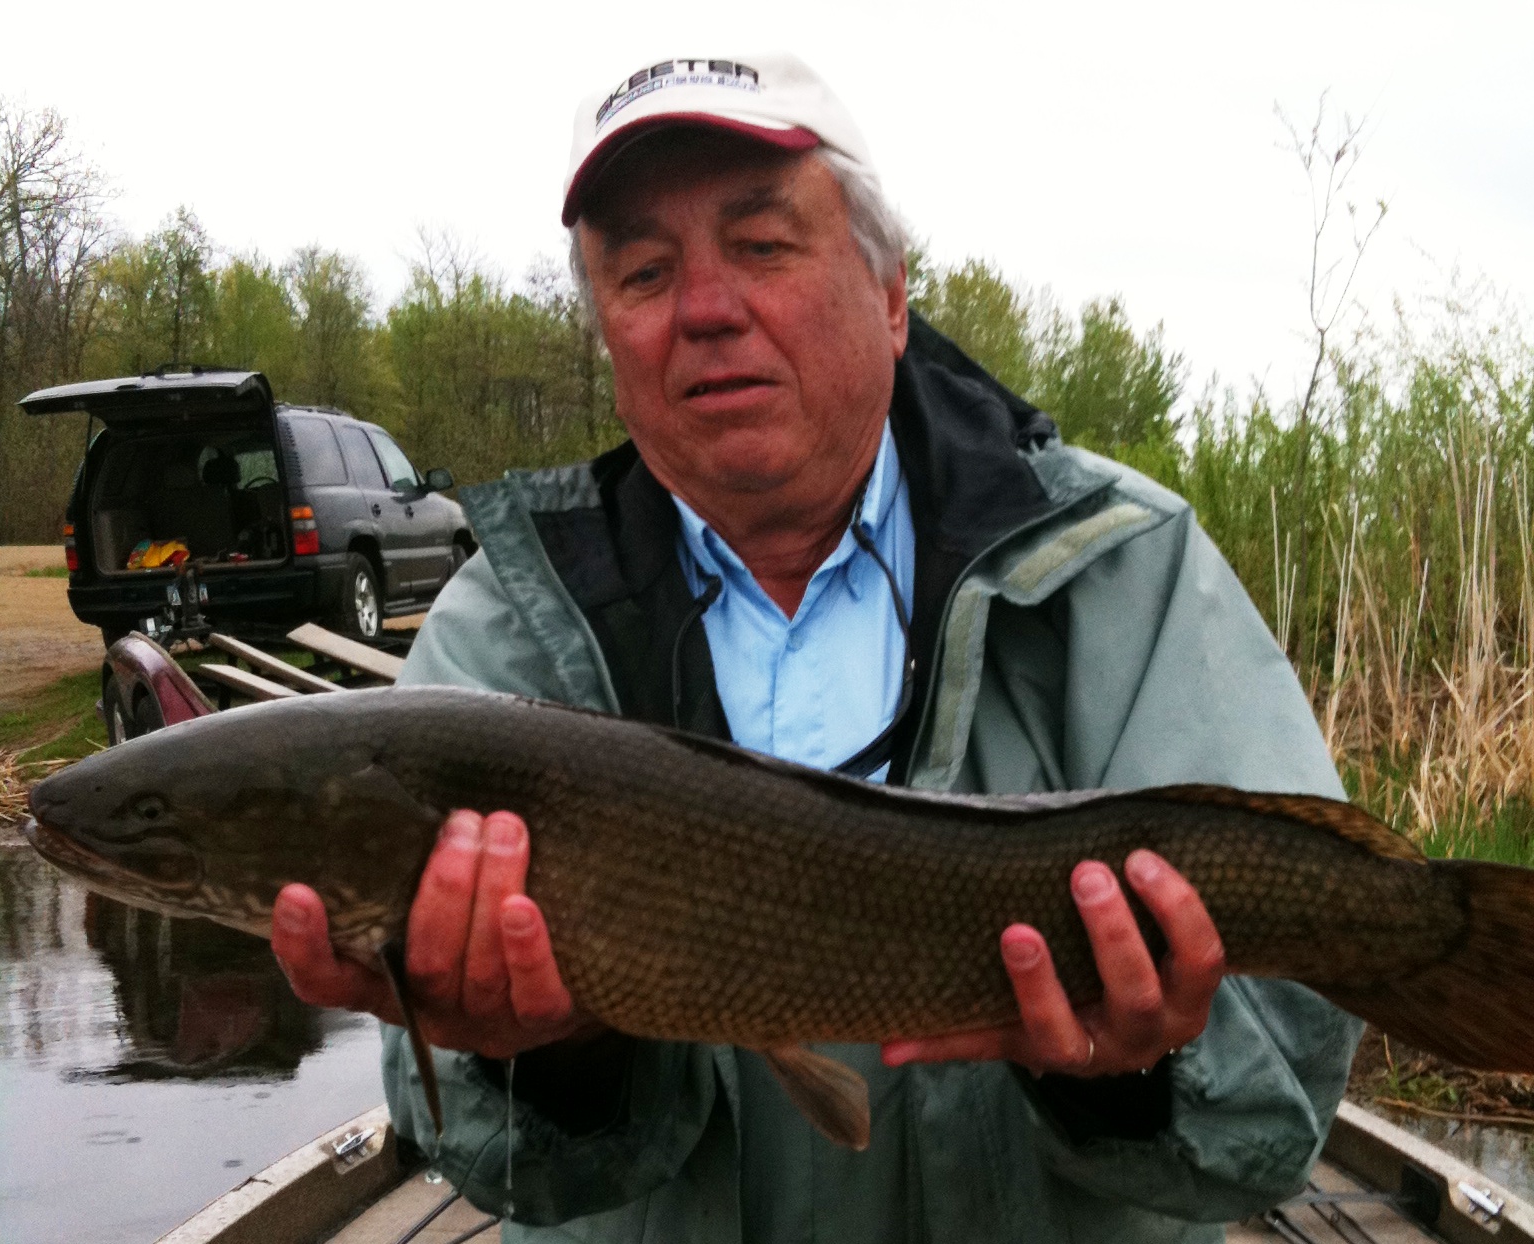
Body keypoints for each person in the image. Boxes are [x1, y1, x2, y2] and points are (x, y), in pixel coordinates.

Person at [273, 53, 1361, 1243]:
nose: (703, 307)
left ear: (890, 294)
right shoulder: (502, 632)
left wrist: (1129, 1077)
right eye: (643, 270)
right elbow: (497, 1164)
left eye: (762, 244)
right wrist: (561, 1055)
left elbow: (1276, 1098)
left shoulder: (1122, 568)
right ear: (610, 343)